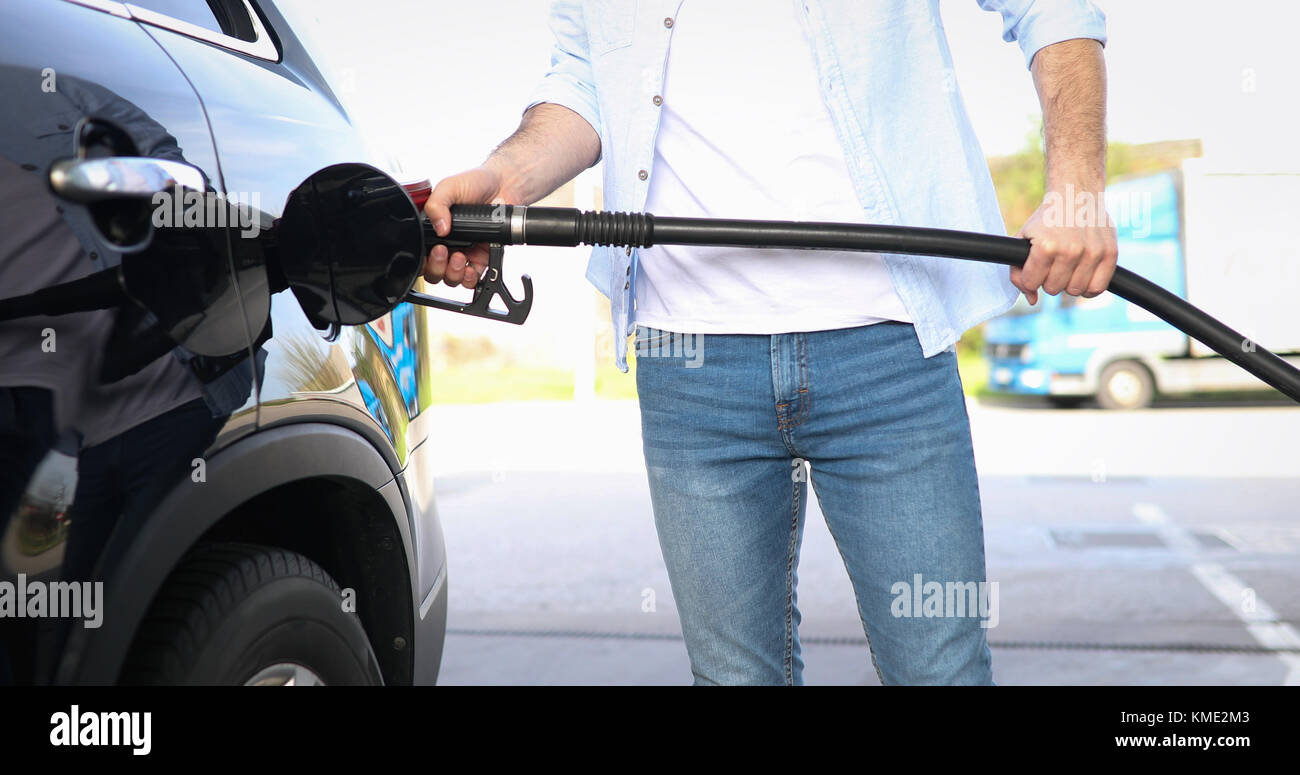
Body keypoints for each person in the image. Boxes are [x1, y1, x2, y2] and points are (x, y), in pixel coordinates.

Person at [423, 0, 1116, 685]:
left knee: (941, 670)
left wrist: (1077, 191)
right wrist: (504, 180)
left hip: (887, 340)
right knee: (732, 678)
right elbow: (582, 81)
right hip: (688, 358)